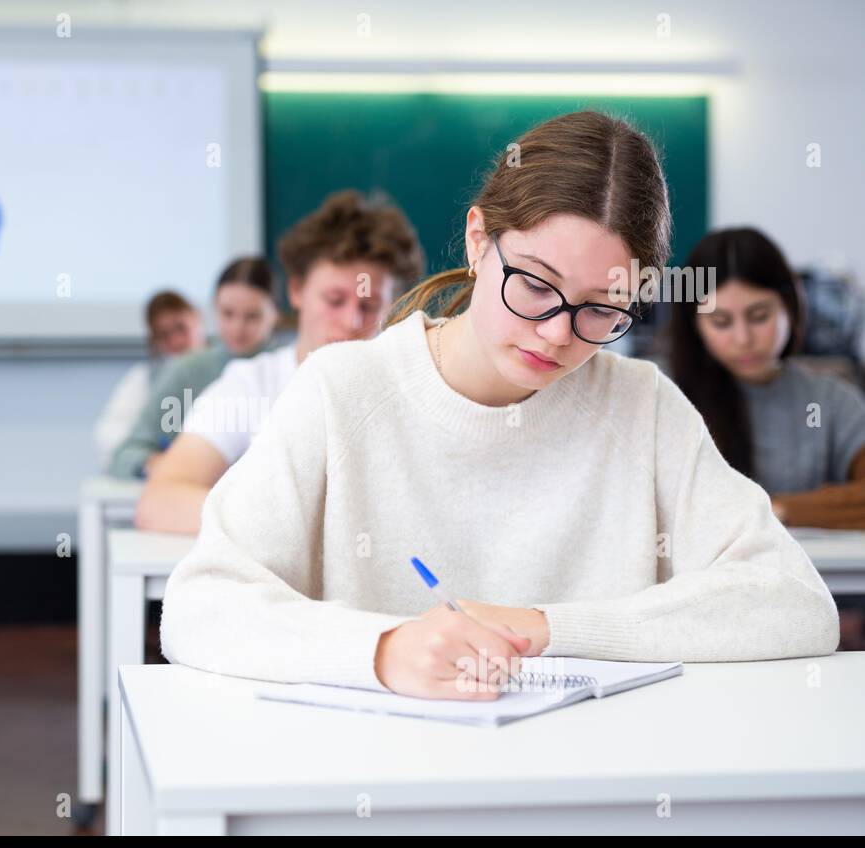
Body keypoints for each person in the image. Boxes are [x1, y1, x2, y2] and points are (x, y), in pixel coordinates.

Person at [159, 111, 840, 701]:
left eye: (602, 309)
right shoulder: (342, 391)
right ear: (479, 239)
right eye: (537, 286)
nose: (558, 333)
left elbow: (794, 602)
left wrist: (541, 626)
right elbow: (200, 604)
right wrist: (384, 648)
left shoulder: (644, 407)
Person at [134, 190, 425, 534]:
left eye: (369, 305)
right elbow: (159, 501)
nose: (350, 320)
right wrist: (280, 526)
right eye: (334, 300)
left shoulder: (413, 388)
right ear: (297, 290)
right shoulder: (252, 385)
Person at [666, 228, 865, 527]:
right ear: (694, 325)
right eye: (721, 322)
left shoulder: (831, 401)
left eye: (759, 316)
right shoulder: (666, 397)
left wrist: (773, 510)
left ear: (790, 307)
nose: (743, 339)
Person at [108, 256, 279, 478]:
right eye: (228, 314)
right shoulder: (185, 371)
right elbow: (126, 454)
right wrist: (162, 466)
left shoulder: (295, 371)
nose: (237, 328)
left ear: (275, 313)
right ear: (213, 309)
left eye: (252, 316)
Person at [93, 290, 203, 470]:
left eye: (180, 328)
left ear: (197, 318)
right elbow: (110, 438)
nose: (175, 341)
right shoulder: (143, 380)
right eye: (164, 335)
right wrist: (149, 461)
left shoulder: (229, 367)